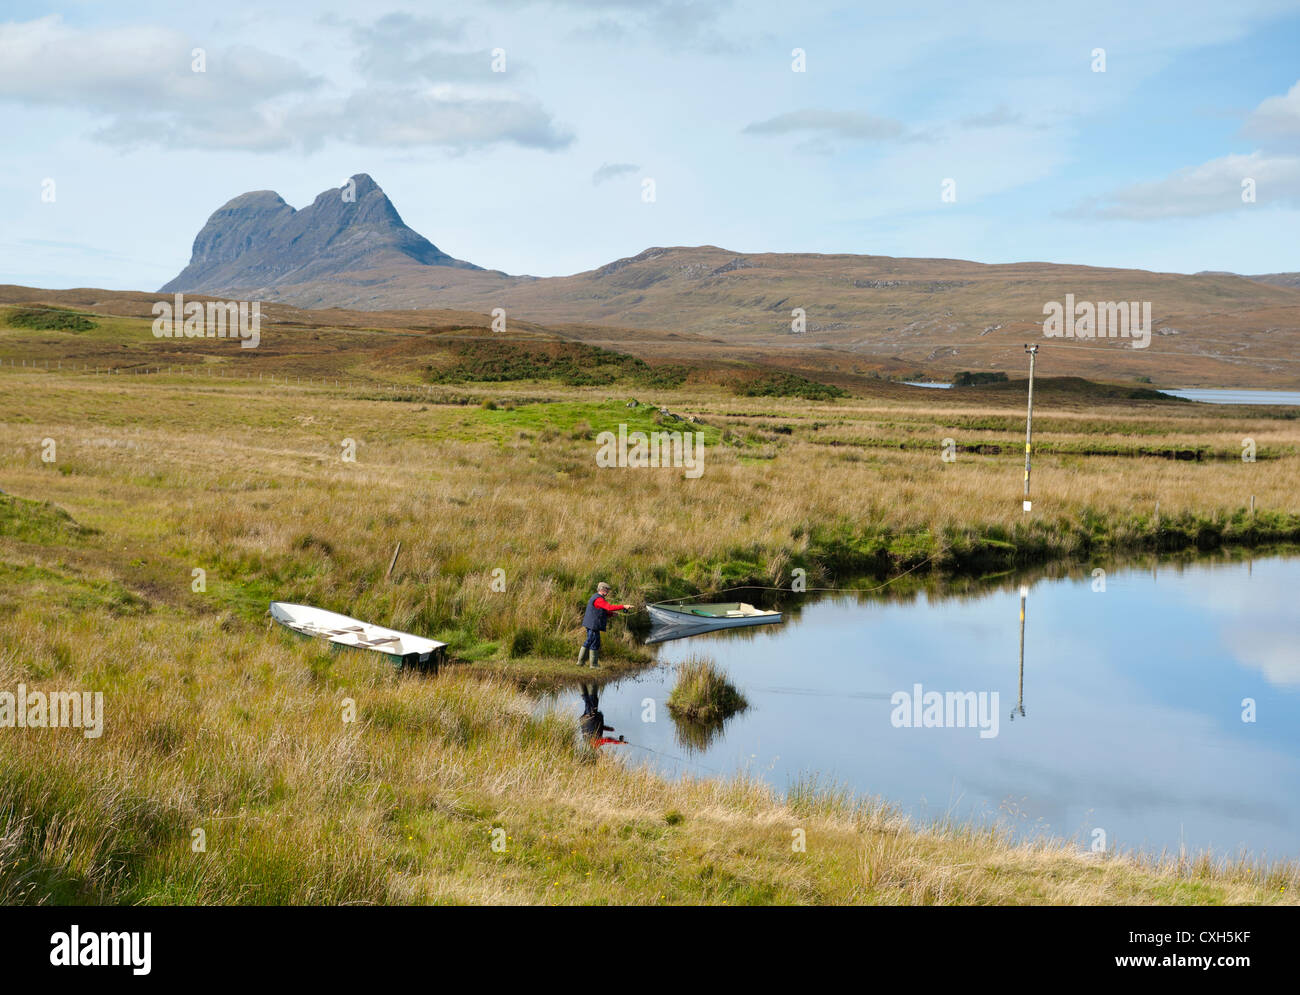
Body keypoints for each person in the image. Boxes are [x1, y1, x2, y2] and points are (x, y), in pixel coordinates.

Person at [577, 582, 633, 669]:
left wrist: (611, 614)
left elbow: (601, 609)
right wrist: (624, 606)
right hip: (593, 624)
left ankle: (582, 663)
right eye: (607, 590)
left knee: (591, 641)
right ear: (602, 590)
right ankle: (591, 664)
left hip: (591, 623)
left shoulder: (596, 597)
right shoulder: (599, 599)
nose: (608, 592)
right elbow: (609, 607)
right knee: (594, 641)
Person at [579, 683, 624, 747]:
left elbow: (607, 740)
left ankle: (592, 680)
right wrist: (608, 729)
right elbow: (596, 728)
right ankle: (581, 681)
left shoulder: (594, 744)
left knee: (592, 699)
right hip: (586, 720)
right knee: (588, 701)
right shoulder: (588, 742)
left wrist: (618, 742)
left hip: (590, 718)